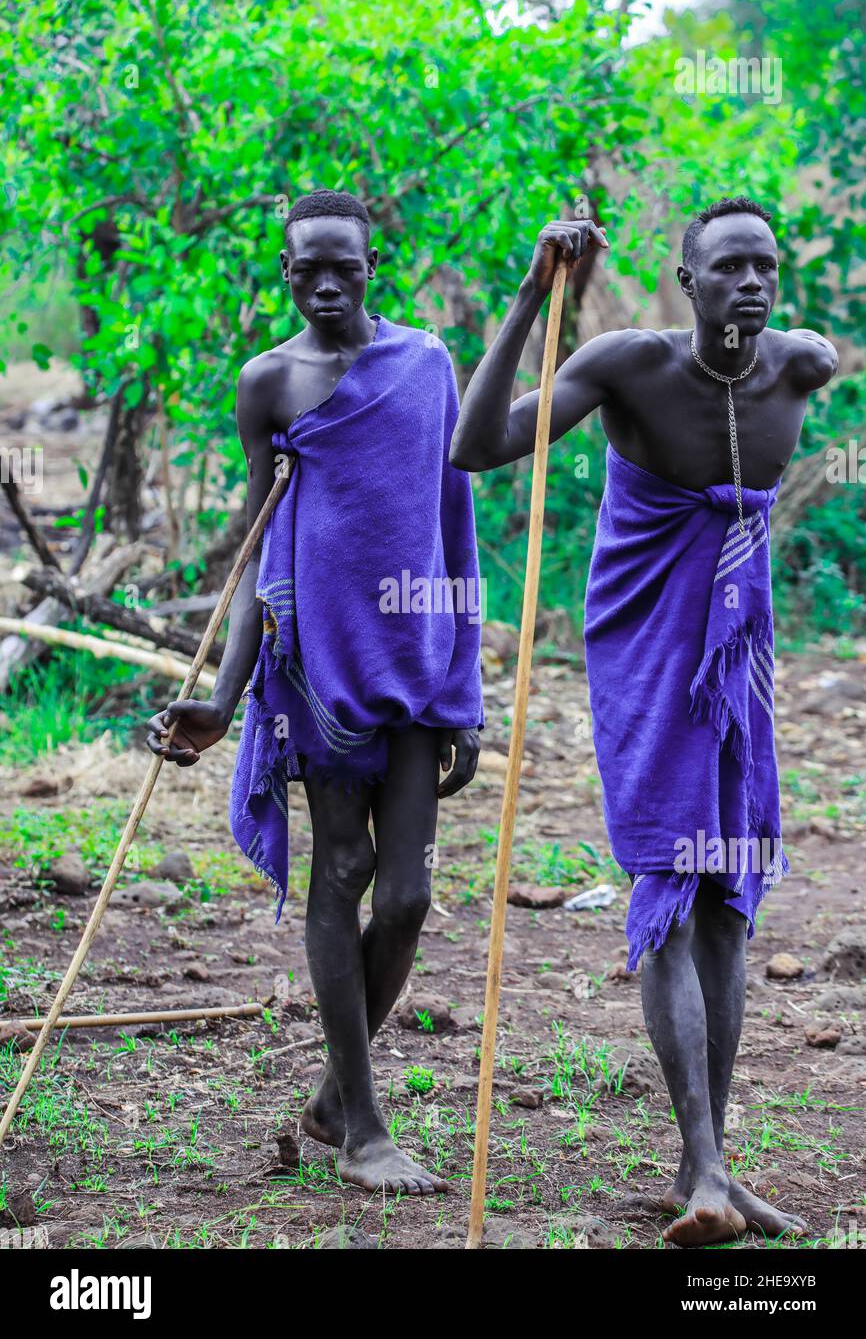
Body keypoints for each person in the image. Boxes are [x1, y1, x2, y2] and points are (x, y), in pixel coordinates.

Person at [449, 196, 837, 1246]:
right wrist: (536, 293)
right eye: (726, 268)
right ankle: (704, 1165)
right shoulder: (627, 363)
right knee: (669, 873)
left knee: (724, 892)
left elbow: (822, 349)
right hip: (644, 650)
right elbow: (477, 444)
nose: (749, 283)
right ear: (685, 278)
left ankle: (702, 1165)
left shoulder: (799, 366)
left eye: (762, 266)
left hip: (738, 660)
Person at [147, 188, 484, 1196]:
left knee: (411, 894)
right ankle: (366, 1128)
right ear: (286, 274)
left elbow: (452, 522)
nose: (327, 285)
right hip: (316, 662)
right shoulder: (269, 384)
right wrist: (220, 693)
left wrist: (463, 683)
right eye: (308, 270)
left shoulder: (425, 367)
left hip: (417, 658)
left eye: (345, 267)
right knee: (343, 871)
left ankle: (335, 1097)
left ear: (371, 267)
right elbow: (258, 549)